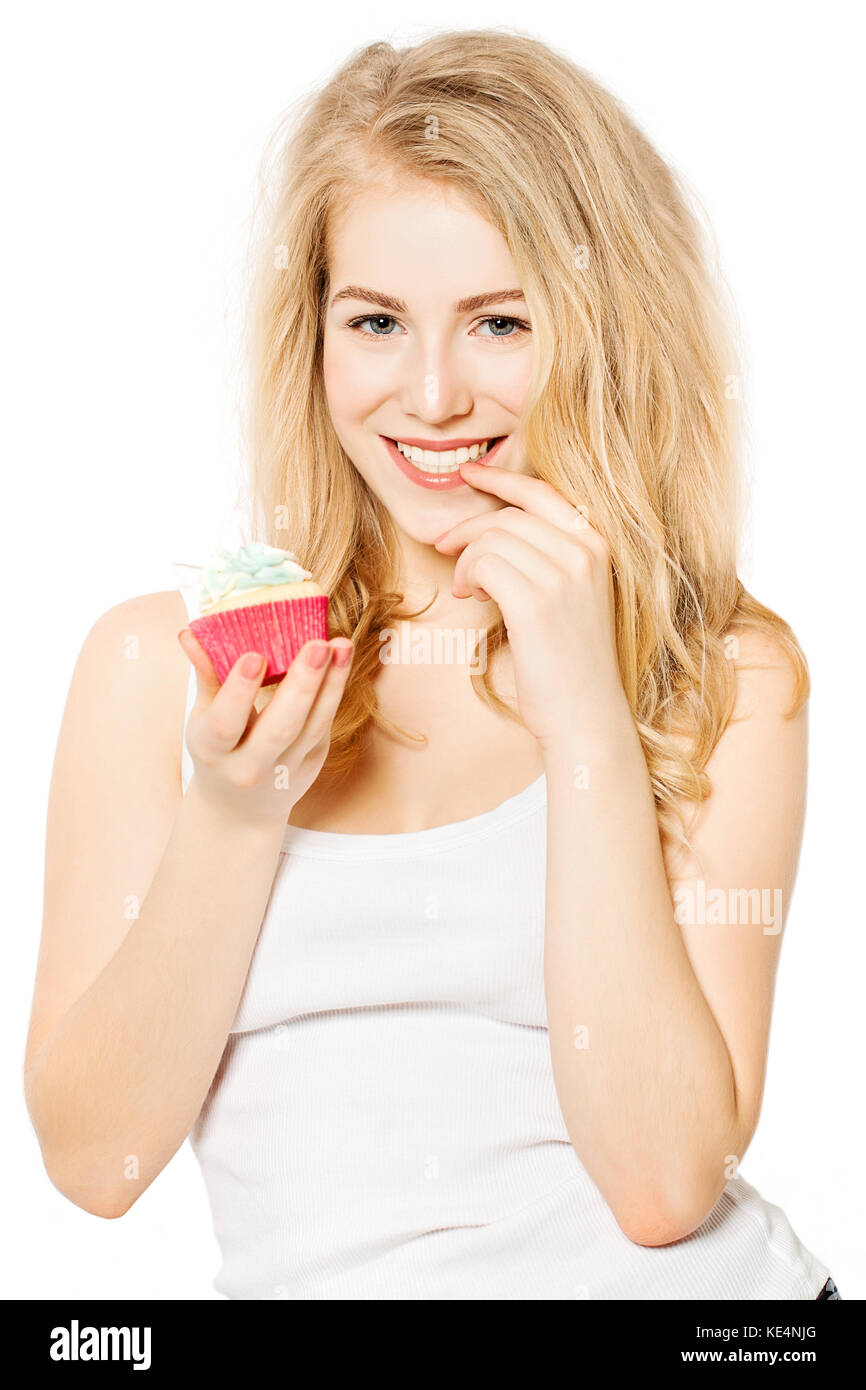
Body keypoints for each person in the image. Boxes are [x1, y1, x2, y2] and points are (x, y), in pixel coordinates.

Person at [24, 29, 839, 1300]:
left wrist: (585, 722)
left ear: (599, 332)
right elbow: (95, 1163)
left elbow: (666, 1186)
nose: (434, 393)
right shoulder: (160, 668)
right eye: (377, 322)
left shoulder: (717, 672)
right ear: (319, 340)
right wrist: (234, 818)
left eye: (499, 321)